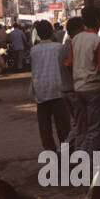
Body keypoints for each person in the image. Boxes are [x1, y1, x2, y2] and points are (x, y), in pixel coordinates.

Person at [67, 5, 100, 156]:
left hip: (78, 88)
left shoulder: (75, 39)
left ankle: (81, 153)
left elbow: (69, 63)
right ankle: (85, 156)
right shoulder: (98, 40)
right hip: (92, 88)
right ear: (97, 20)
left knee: (82, 126)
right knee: (95, 127)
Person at [29, 19, 70, 152]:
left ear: (38, 34)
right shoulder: (59, 47)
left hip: (41, 91)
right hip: (58, 90)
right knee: (63, 126)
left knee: (45, 127)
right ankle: (67, 154)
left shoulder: (34, 50)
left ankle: (50, 154)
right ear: (52, 32)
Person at [60, 16, 85, 149]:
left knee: (77, 123)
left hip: (66, 89)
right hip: (74, 91)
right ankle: (73, 151)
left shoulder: (63, 47)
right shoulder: (73, 47)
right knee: (81, 126)